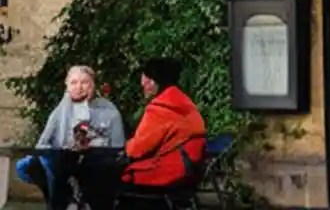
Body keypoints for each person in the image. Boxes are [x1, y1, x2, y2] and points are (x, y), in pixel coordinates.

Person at [16, 65, 125, 210]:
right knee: (35, 165)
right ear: (67, 86)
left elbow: (118, 148)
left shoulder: (109, 111)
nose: (79, 87)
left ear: (93, 85)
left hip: (98, 160)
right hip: (64, 159)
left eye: (85, 82)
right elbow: (42, 144)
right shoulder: (60, 111)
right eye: (74, 83)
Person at [119, 58, 207, 193]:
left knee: (104, 173)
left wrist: (122, 147)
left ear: (154, 81)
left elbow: (138, 149)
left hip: (165, 174)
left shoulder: (160, 109)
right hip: (189, 172)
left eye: (145, 79)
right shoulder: (185, 104)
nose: (143, 84)